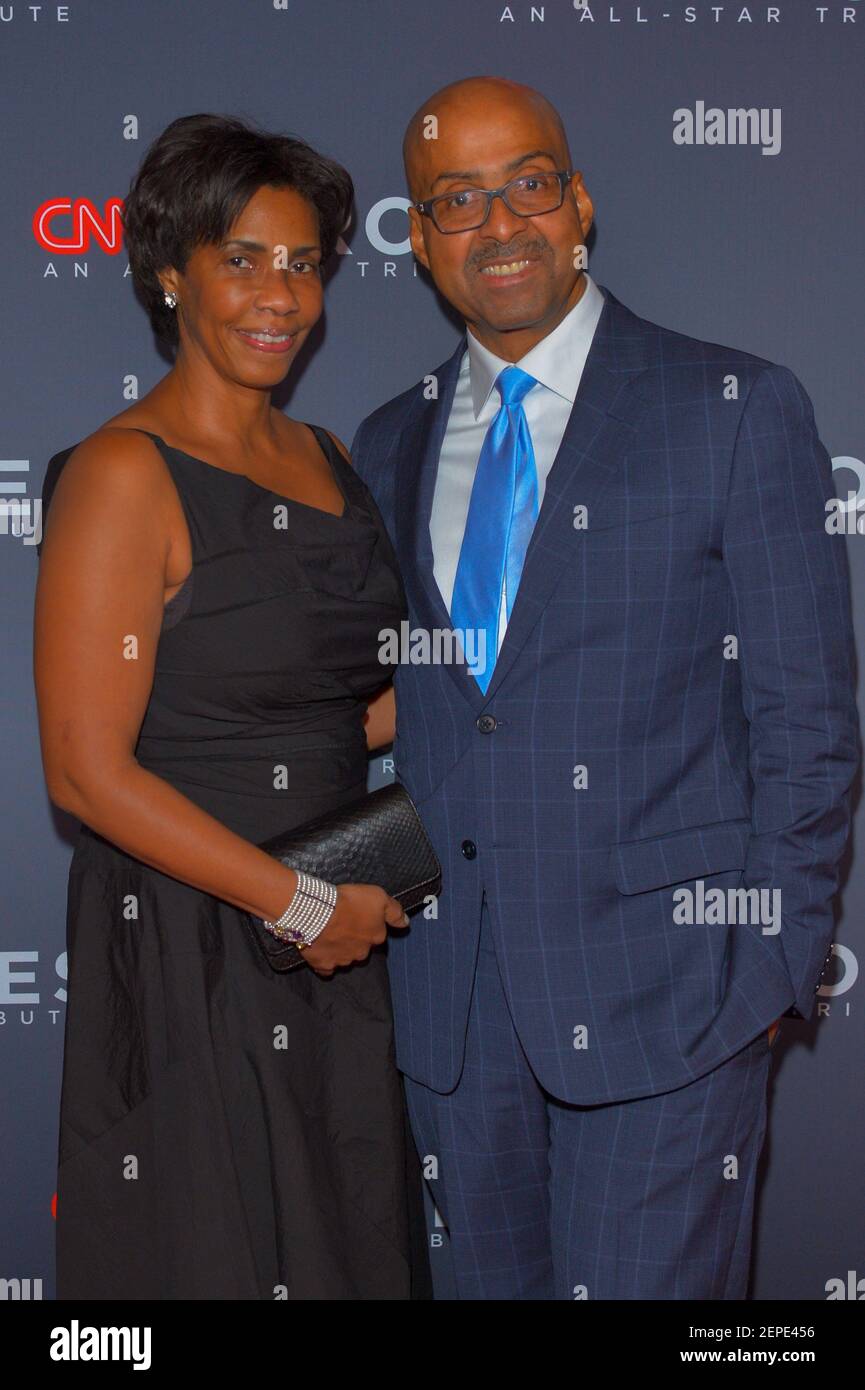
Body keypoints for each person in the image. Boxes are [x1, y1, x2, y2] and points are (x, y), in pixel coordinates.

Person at [349, 76, 860, 1299]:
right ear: (418, 243)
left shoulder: (730, 408)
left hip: (673, 1007)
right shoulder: (388, 440)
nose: (500, 223)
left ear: (578, 202)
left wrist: (771, 965)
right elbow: (427, 715)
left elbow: (809, 719)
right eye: (456, 201)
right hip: (453, 1021)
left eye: (528, 183)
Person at [34, 112, 431, 1300]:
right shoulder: (121, 472)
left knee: (342, 1245)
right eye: (243, 259)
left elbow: (328, 715)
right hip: (198, 936)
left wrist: (486, 685)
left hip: (336, 921)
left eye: (303, 262)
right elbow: (85, 773)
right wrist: (300, 904)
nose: (281, 294)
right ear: (170, 272)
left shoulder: (327, 455)